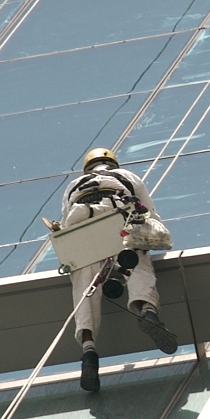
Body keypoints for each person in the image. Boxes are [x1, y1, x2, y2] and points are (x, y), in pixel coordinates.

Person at [53, 148, 177, 393]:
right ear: (112, 163)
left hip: (84, 226)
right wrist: (154, 235)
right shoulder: (127, 176)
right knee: (137, 261)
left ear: (88, 168)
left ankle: (88, 351)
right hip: (120, 219)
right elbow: (149, 211)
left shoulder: (74, 185)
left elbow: (67, 214)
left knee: (84, 288)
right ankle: (147, 310)